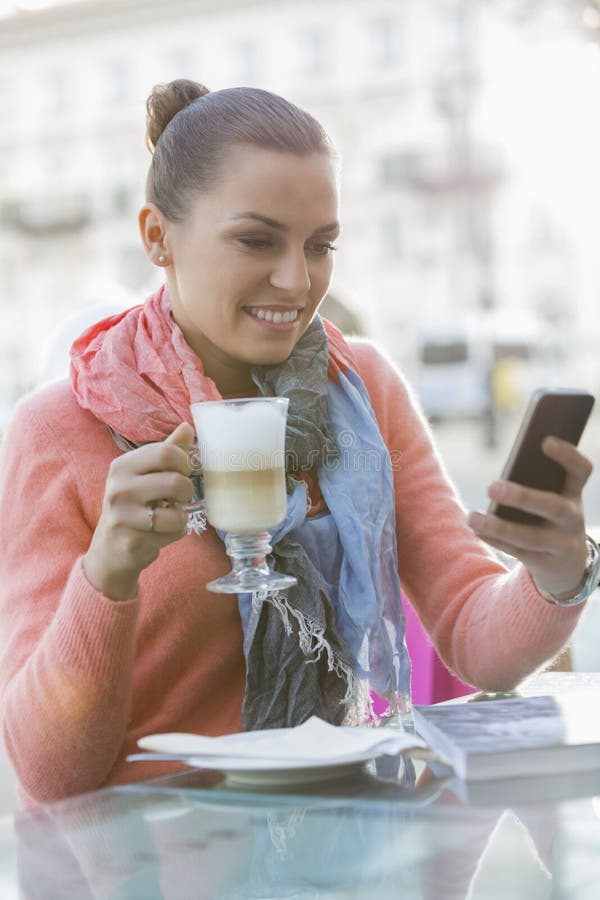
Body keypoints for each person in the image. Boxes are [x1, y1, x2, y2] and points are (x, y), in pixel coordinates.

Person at [0, 80, 595, 808]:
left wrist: (557, 576)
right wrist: (107, 577)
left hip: (334, 833)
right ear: (157, 237)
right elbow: (49, 773)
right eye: (257, 240)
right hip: (146, 856)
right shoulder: (60, 430)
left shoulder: (363, 386)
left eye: (321, 246)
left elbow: (475, 639)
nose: (296, 279)